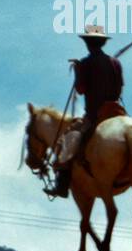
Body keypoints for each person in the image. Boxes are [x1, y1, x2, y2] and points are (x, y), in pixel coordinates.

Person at [52, 24, 123, 197]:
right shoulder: (115, 63)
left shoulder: (85, 63)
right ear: (103, 43)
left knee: (69, 137)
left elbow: (81, 89)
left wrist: (78, 72)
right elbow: (119, 88)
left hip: (94, 115)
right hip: (116, 112)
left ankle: (62, 184)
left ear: (88, 43)